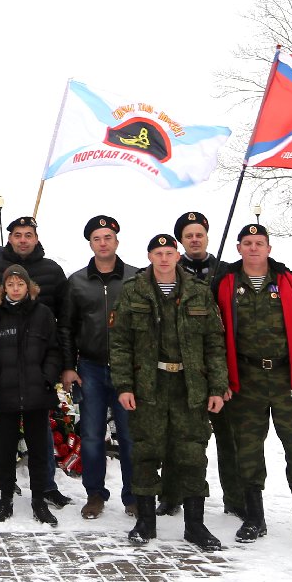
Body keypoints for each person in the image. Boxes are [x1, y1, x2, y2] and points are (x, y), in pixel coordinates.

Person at [213, 223, 292, 550]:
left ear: (269, 247)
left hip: (288, 380)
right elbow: (211, 335)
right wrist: (220, 380)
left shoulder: (289, 281)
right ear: (238, 248)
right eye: (247, 243)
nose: (253, 248)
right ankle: (254, 517)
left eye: (259, 243)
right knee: (248, 449)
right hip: (245, 381)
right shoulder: (224, 283)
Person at [109, 234, 228, 547]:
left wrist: (217, 386)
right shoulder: (133, 291)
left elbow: (215, 343)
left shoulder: (199, 292)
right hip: (149, 385)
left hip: (189, 387)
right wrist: (124, 385)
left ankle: (195, 526)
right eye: (158, 253)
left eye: (169, 253)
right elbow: (120, 342)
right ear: (150, 257)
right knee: (146, 452)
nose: (164, 258)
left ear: (178, 256)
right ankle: (146, 523)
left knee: (191, 453)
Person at [0, 215, 69, 508]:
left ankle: (46, 486)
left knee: (41, 430)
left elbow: (64, 318)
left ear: (36, 238)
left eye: (28, 235)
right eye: (17, 235)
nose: (23, 239)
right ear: (9, 238)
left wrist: (52, 372)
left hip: (37, 371)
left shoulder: (52, 270)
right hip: (5, 368)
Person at [60, 214, 138, 521]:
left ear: (117, 241)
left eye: (107, 238)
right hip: (89, 367)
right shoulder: (77, 281)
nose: (102, 243)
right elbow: (65, 328)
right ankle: (95, 494)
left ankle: (133, 495)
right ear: (90, 243)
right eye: (97, 239)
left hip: (126, 369)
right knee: (91, 435)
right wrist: (68, 366)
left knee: (130, 435)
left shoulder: (135, 278)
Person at [0, 264, 63, 527]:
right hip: (6, 393)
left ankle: (39, 499)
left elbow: (54, 349)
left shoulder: (43, 314)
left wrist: (47, 378)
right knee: (6, 449)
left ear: (29, 287)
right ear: (4, 288)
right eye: (10, 285)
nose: (15, 289)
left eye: (20, 284)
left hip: (37, 393)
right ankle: (5, 498)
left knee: (39, 449)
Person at [173, 210, 238, 516]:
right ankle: (171, 496)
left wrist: (222, 378)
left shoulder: (226, 271)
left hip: (220, 363)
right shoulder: (170, 271)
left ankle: (235, 501)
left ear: (207, 237)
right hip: (182, 367)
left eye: (199, 234)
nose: (195, 239)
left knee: (229, 439)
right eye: (189, 236)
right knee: (179, 437)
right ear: (181, 241)